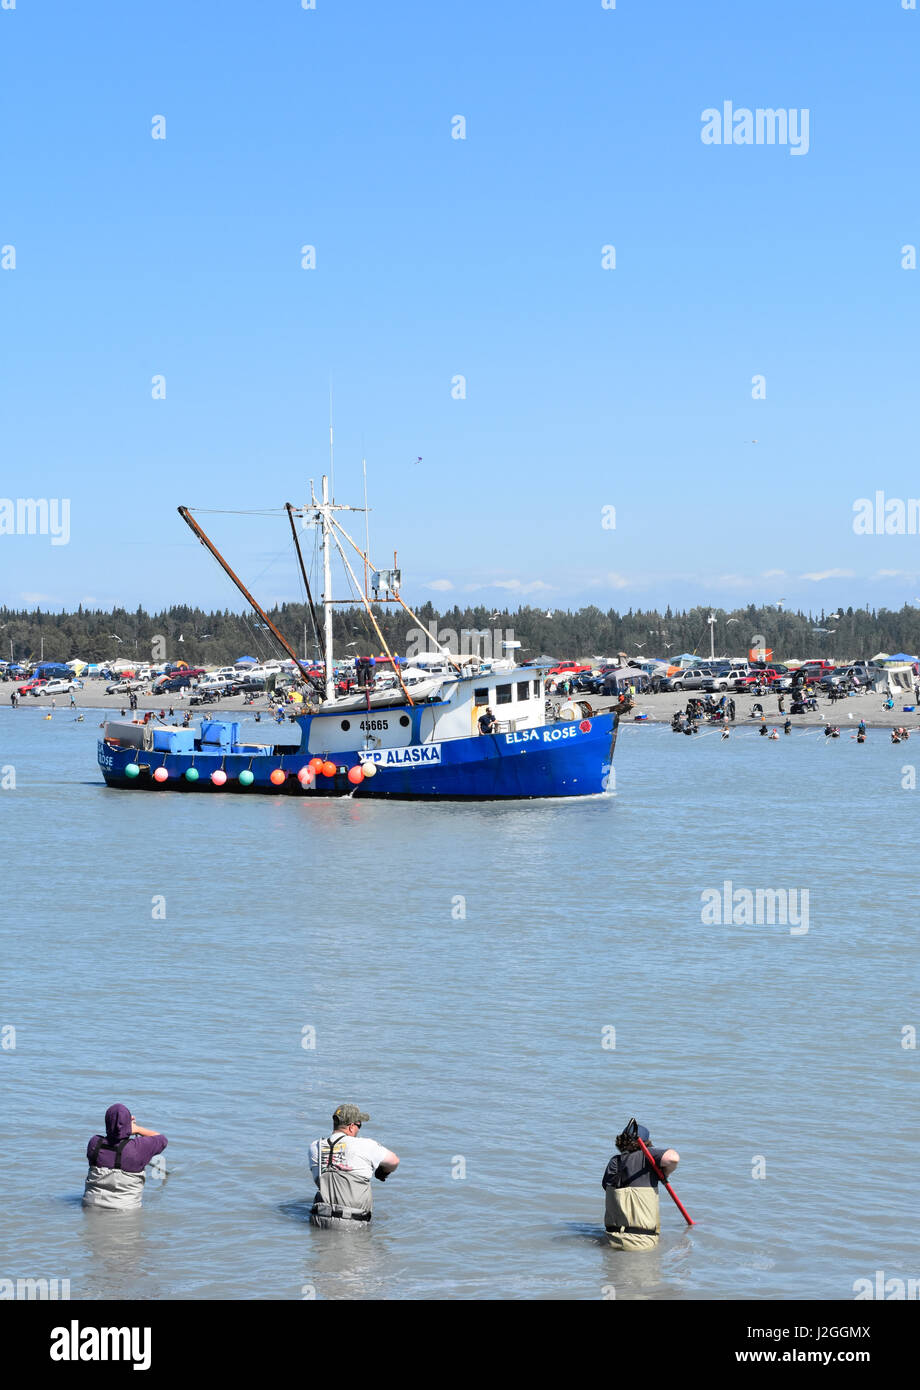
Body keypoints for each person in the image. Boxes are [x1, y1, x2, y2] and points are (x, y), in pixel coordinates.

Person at [309, 1104, 399, 1229]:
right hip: (353, 1223)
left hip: (319, 1220)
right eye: (359, 1125)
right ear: (351, 1127)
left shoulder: (315, 1147)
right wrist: (383, 1172)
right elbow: (394, 1161)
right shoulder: (365, 1145)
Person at [602, 1121, 679, 1251]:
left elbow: (606, 1187)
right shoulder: (647, 1157)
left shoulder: (614, 1162)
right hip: (642, 1243)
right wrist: (665, 1174)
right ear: (646, 1143)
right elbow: (673, 1158)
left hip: (611, 1239)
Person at [82, 1103, 167, 1210]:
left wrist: (122, 1128)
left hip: (91, 1206)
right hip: (125, 1211)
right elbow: (162, 1139)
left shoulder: (94, 1143)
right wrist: (137, 1129)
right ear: (129, 1125)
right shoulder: (138, 1148)